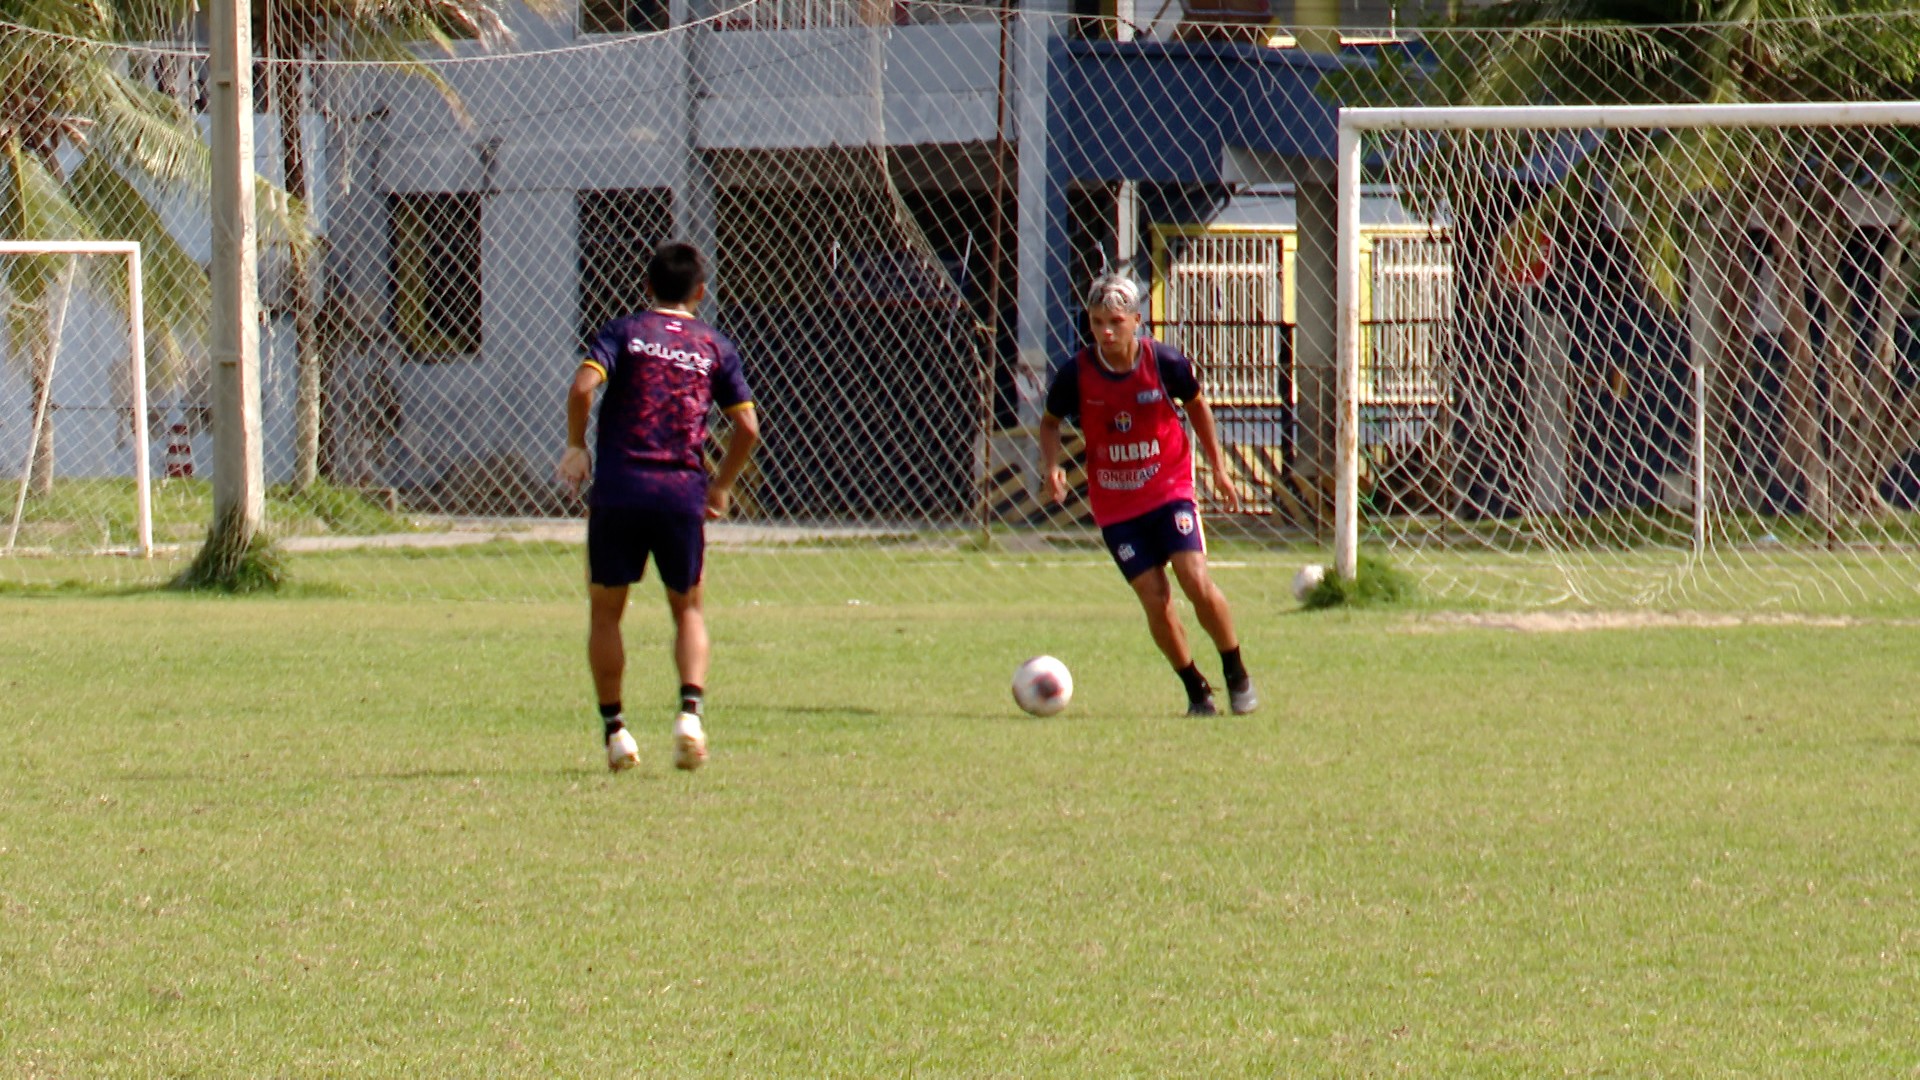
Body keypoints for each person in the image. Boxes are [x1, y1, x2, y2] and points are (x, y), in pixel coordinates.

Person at [559, 241, 760, 772]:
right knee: (688, 609)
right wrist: (720, 485)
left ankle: (616, 732)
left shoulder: (622, 333)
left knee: (606, 614)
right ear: (700, 292)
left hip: (620, 490)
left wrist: (577, 446)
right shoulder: (714, 345)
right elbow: (746, 426)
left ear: (646, 288)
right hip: (680, 494)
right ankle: (689, 715)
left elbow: (582, 388)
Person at [1038, 274, 1256, 717]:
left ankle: (1235, 669)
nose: (1105, 331)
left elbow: (1197, 406)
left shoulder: (1166, 363)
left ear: (1137, 320)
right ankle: (1196, 689)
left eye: (1116, 321)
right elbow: (1049, 422)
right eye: (1097, 321)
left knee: (1193, 579)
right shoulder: (1075, 373)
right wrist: (1052, 466)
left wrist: (1217, 467)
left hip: (1169, 487)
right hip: (1116, 504)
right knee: (1154, 597)